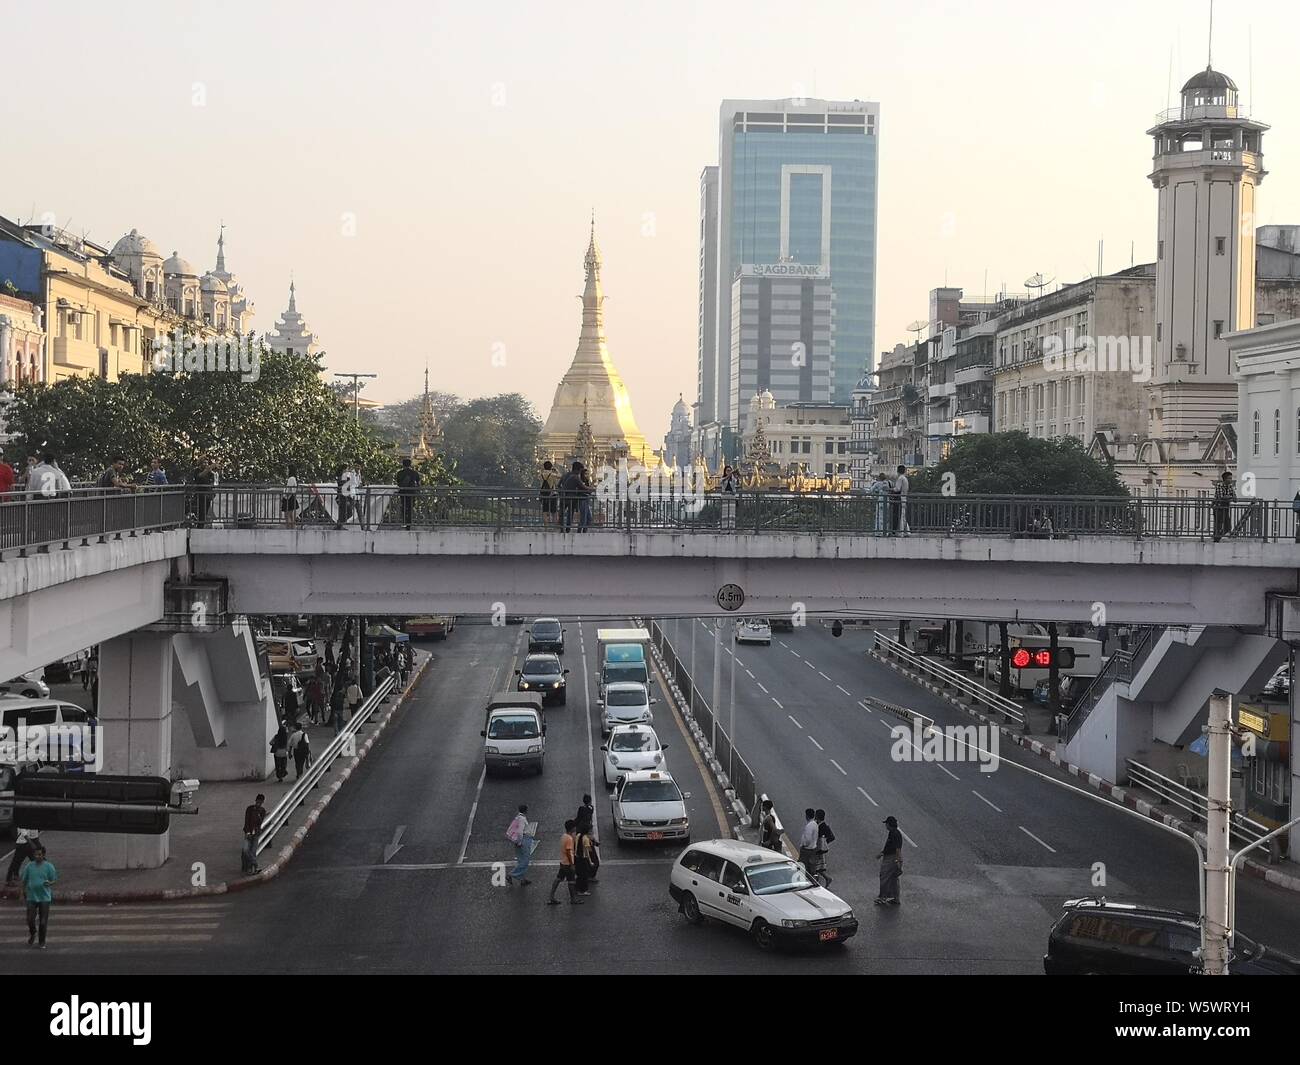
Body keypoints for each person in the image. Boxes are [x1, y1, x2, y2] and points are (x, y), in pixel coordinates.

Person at [20, 844, 57, 948]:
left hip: (44, 898)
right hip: (31, 897)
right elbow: (24, 881)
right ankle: (33, 933)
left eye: (39, 855)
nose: (37, 857)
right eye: (36, 855)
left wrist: (49, 883)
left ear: (43, 855)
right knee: (30, 919)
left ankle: (42, 942)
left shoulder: (49, 866)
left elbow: (54, 879)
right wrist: (22, 893)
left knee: (43, 922)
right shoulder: (29, 866)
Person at [547, 820, 583, 905]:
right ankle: (573, 899)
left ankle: (551, 896)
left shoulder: (564, 836)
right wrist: (572, 864)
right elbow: (568, 852)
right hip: (567, 863)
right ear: (572, 828)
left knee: (558, 878)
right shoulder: (569, 839)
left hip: (563, 862)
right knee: (571, 881)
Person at [876, 815, 903, 905]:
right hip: (892, 857)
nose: (885, 826)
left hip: (892, 858)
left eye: (886, 824)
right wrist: (882, 853)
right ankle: (896, 898)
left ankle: (882, 897)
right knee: (893, 879)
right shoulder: (893, 832)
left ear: (889, 824)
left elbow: (897, 849)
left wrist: (897, 861)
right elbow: (889, 846)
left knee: (884, 877)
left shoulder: (895, 834)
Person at [506, 804, 535, 885]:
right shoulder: (522, 819)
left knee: (521, 860)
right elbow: (520, 832)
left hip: (518, 841)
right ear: (526, 810)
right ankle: (510, 875)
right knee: (525, 861)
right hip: (523, 841)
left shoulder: (517, 818)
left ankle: (522, 879)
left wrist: (517, 842)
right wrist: (519, 842)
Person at [242, 794, 267, 874]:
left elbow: (260, 823)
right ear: (255, 800)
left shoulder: (262, 811)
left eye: (260, 802)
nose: (258, 803)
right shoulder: (249, 809)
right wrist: (248, 832)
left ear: (262, 802)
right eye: (258, 801)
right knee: (245, 850)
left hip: (256, 834)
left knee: (253, 851)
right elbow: (246, 821)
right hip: (248, 833)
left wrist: (258, 815)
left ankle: (251, 869)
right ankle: (255, 865)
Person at [559, 461, 585, 533]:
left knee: (562, 512)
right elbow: (582, 487)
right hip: (572, 498)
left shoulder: (565, 475)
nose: (580, 472)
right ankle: (568, 528)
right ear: (577, 470)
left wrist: (561, 492)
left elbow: (559, 485)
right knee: (570, 513)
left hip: (563, 497)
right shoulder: (575, 477)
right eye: (580, 470)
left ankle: (561, 528)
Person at [396, 457, 421, 529]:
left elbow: (398, 483)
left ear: (403, 465)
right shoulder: (415, 473)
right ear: (410, 464)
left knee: (403, 507)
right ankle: (409, 524)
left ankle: (404, 522)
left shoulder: (400, 473)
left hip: (403, 493)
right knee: (410, 508)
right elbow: (418, 484)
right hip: (411, 493)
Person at [814, 809, 836, 887]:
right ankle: (827, 878)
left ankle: (816, 883)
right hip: (819, 849)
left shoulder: (822, 826)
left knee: (815, 866)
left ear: (817, 816)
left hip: (818, 849)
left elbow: (832, 837)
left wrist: (824, 843)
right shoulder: (820, 825)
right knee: (819, 867)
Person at [574, 826, 597, 896]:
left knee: (579, 874)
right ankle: (583, 890)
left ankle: (577, 888)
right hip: (583, 859)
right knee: (584, 875)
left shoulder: (578, 835)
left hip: (577, 857)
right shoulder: (586, 839)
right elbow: (587, 852)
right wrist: (590, 862)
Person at [1212, 470, 1235, 543]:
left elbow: (1235, 497)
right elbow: (1221, 497)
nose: (1230, 480)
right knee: (1218, 524)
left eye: (1231, 478)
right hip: (1218, 507)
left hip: (1226, 507)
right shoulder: (1219, 485)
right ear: (1225, 479)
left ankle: (1218, 537)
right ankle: (1216, 538)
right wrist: (1229, 497)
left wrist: (1230, 496)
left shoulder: (1230, 486)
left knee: (1227, 526)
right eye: (1229, 478)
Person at [797, 808, 819, 878]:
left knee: (801, 865)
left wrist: (804, 845)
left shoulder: (809, 826)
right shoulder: (815, 824)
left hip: (807, 849)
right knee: (810, 865)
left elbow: (808, 839)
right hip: (813, 848)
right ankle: (812, 877)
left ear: (807, 816)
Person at [539, 460, 560, 526]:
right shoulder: (552, 475)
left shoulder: (541, 474)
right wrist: (556, 470)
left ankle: (546, 526)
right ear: (551, 467)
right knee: (554, 511)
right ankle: (555, 525)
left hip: (544, 494)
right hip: (552, 494)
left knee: (545, 511)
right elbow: (560, 476)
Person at [719, 464, 739, 531]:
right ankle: (724, 528)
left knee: (731, 513)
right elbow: (721, 481)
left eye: (730, 470)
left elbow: (736, 482)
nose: (729, 472)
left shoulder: (733, 479)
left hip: (732, 497)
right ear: (725, 471)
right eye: (727, 470)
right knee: (725, 513)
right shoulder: (723, 479)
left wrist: (734, 475)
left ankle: (731, 528)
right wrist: (728, 476)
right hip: (725, 497)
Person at [893, 465, 910, 535]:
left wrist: (890, 489)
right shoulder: (905, 478)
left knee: (900, 515)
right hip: (904, 497)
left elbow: (897, 489)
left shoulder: (900, 478)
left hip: (900, 498)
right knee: (903, 515)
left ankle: (901, 532)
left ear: (898, 471)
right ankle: (907, 531)